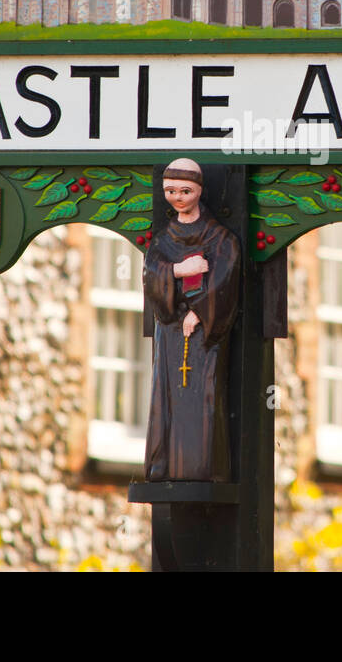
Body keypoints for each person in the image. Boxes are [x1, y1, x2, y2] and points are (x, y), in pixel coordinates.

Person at [142, 159, 241, 481]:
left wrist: (200, 312)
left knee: (202, 393)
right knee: (169, 392)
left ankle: (201, 467)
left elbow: (225, 279)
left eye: (185, 191)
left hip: (203, 335)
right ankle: (165, 466)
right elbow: (151, 273)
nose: (178, 198)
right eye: (170, 191)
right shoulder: (163, 239)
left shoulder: (220, 238)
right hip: (170, 331)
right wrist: (177, 270)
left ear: (200, 191)